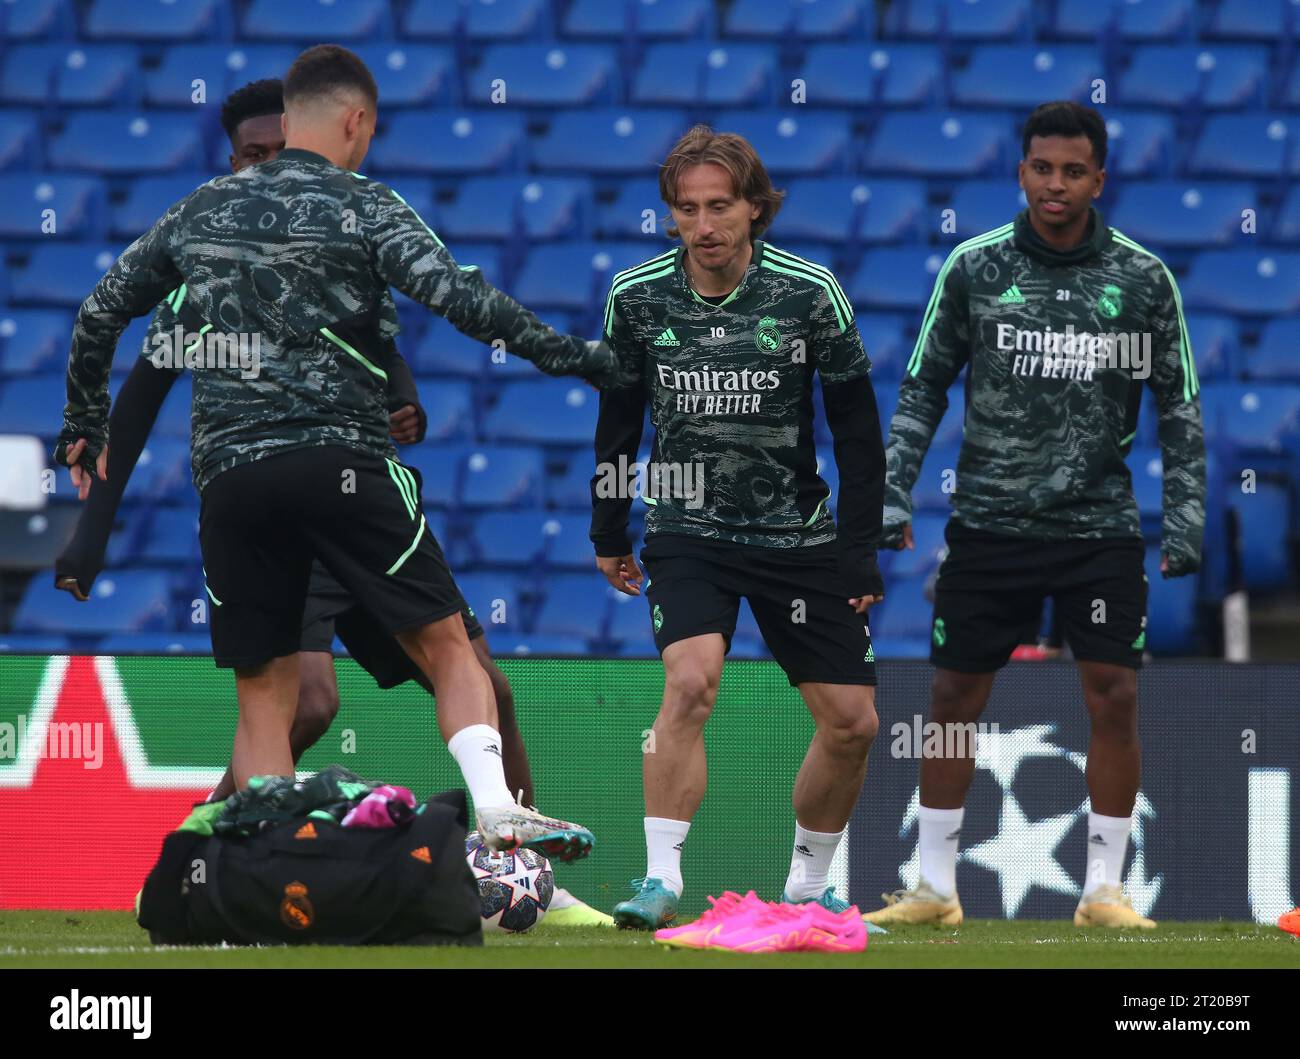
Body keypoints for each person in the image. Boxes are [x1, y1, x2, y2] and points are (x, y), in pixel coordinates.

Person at [53, 78, 608, 922]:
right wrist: (578, 358)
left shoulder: (201, 216)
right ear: (353, 122)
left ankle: (276, 879)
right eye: (254, 153)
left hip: (238, 482)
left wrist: (79, 419)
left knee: (277, 695)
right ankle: (487, 807)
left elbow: (99, 312)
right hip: (344, 471)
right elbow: (459, 298)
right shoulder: (356, 205)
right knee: (420, 661)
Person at [863, 101, 1205, 930]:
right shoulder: (974, 268)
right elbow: (920, 388)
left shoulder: (1144, 278)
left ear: (1099, 178)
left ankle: (1103, 892)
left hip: (1099, 528)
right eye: (1042, 168)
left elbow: (1181, 404)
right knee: (951, 696)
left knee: (1114, 694)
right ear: (1020, 172)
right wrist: (892, 490)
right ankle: (935, 887)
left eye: (1073, 170)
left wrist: (1186, 514)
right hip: (989, 522)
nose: (1056, 184)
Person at [591, 125, 886, 929]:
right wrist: (606, 530)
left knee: (853, 723)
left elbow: (858, 429)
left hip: (797, 535)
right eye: (686, 210)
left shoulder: (809, 294)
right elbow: (618, 418)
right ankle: (659, 880)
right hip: (687, 524)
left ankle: (808, 886)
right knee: (689, 683)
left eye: (720, 206)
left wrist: (858, 550)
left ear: (756, 207)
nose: (704, 226)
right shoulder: (636, 297)